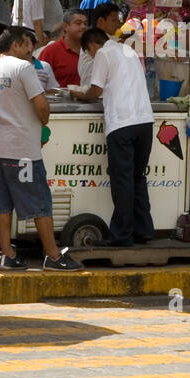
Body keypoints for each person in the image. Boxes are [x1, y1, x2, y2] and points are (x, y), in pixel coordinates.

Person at [0, 27, 83, 270]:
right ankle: (54, 256)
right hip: (23, 148)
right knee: (40, 202)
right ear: (16, 44)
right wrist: (44, 121)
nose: (31, 51)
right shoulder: (23, 68)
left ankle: (7, 255)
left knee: (3, 204)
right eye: (28, 44)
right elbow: (41, 105)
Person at [71, 27, 155, 247]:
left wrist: (76, 93)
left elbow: (94, 91)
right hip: (145, 122)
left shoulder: (102, 53)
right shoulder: (128, 51)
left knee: (123, 181)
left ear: (90, 45)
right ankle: (144, 230)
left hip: (122, 123)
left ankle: (121, 236)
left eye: (87, 53)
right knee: (138, 177)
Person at [38, 9, 87, 88]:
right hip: (59, 99)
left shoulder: (90, 50)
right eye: (78, 23)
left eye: (85, 23)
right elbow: (39, 82)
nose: (83, 26)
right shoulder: (50, 51)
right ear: (66, 26)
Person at [78, 2, 122, 86]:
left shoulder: (113, 39)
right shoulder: (91, 39)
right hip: (93, 92)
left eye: (118, 21)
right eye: (113, 20)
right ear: (101, 21)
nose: (118, 24)